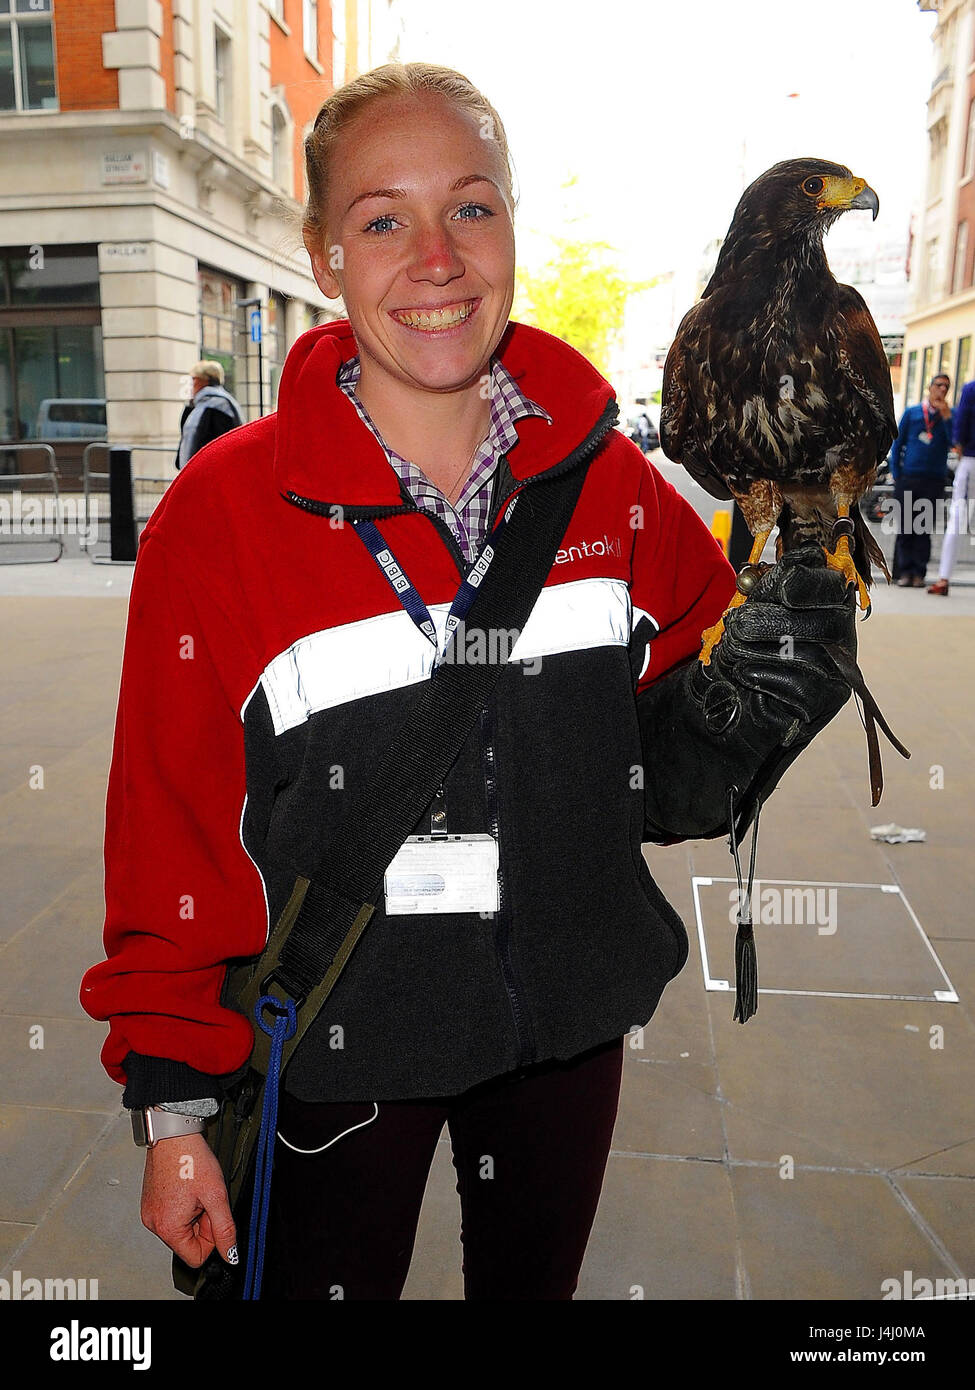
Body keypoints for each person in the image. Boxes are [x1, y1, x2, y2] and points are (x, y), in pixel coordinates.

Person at [79, 62, 856, 1301]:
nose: (435, 256)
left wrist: (759, 702)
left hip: (565, 1031)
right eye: (383, 218)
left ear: (511, 229)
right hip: (338, 1045)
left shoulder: (614, 485)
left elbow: (680, 751)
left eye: (472, 207)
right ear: (325, 256)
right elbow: (170, 834)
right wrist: (175, 1111)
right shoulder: (217, 517)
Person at [887, 373, 952, 587]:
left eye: (946, 387)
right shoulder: (913, 413)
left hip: (933, 479)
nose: (942, 390)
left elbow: (954, 441)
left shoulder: (948, 416)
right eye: (938, 385)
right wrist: (896, 474)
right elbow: (897, 444)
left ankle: (919, 573)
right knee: (906, 526)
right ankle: (904, 572)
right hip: (909, 477)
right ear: (930, 387)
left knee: (923, 528)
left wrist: (946, 418)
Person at [928, 375, 974, 596]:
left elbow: (962, 423)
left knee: (957, 518)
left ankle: (944, 577)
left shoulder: (971, 389)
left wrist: (960, 442)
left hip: (971, 460)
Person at [175, 360, 243, 469]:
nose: (192, 383)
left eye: (194, 379)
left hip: (210, 470)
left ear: (203, 380)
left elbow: (217, 442)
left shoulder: (220, 406)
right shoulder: (200, 404)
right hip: (199, 469)